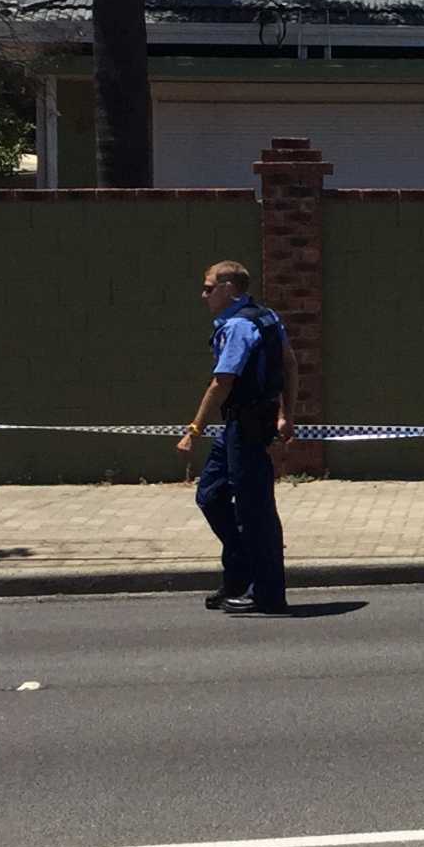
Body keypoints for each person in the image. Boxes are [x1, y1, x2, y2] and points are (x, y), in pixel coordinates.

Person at [180, 261, 293, 612]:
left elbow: (222, 382)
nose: (204, 295)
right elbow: (289, 363)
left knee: (254, 512)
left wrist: (194, 430)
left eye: (208, 287)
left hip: (247, 427)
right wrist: (286, 414)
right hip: (236, 427)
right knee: (210, 494)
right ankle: (240, 573)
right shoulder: (266, 317)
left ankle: (268, 595)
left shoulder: (241, 325)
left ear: (229, 287)